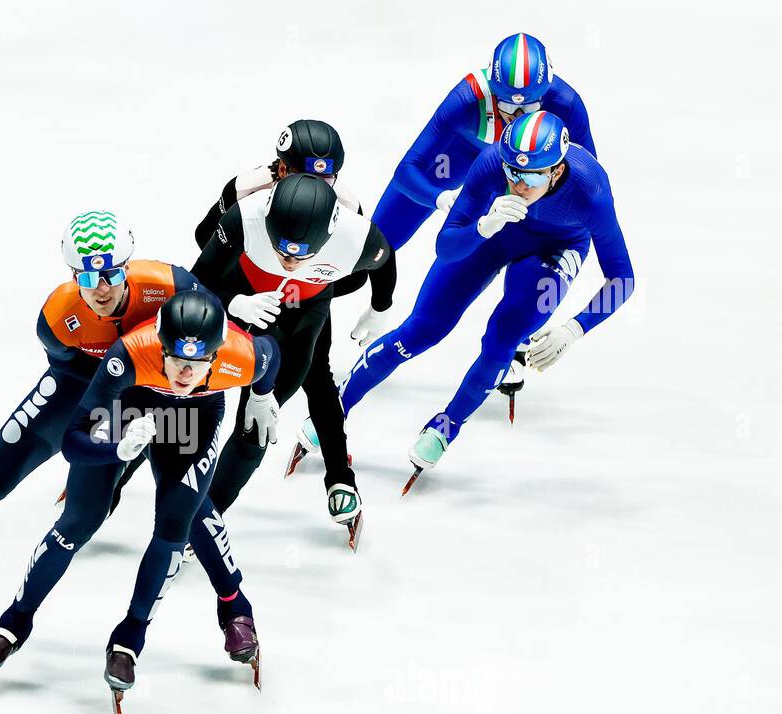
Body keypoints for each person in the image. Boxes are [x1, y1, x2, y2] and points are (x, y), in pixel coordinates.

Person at [0, 212, 261, 641]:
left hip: (164, 394)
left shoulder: (168, 285)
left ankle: (234, 608)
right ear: (72, 275)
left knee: (186, 503)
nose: (101, 289)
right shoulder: (58, 315)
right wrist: (106, 418)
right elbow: (69, 375)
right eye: (87, 277)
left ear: (128, 267)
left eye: (112, 274)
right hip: (85, 391)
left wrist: (235, 317)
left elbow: (211, 327)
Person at [0, 291, 280, 714]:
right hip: (128, 410)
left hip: (194, 419)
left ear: (217, 354)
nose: (186, 373)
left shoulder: (240, 356)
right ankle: (16, 619)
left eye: (198, 363)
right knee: (77, 522)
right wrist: (117, 449)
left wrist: (261, 397)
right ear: (160, 343)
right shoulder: (129, 354)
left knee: (175, 522)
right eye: (176, 360)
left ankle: (133, 635)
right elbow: (73, 443)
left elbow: (271, 355)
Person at [336, 111, 633, 493]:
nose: (517, 185)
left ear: (556, 172)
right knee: (422, 328)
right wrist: (481, 226)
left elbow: (622, 278)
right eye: (512, 173)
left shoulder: (590, 190)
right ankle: (338, 404)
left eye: (530, 178)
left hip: (554, 250)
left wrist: (575, 328)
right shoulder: (493, 162)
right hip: (497, 230)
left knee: (502, 339)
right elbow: (445, 247)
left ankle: (447, 425)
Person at [358, 32, 598, 411]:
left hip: (519, 176)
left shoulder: (567, 104)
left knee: (518, 241)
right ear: (491, 86)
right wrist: (442, 198)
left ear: (547, 92)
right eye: (506, 106)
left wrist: (535, 306)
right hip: (460, 158)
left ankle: (514, 336)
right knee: (370, 245)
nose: (516, 117)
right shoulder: (467, 97)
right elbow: (407, 170)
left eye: (528, 108)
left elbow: (577, 187)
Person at [192, 173, 395, 548]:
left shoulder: (355, 234)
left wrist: (380, 307)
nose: (287, 261)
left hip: (304, 315)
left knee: (256, 426)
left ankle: (207, 515)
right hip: (244, 297)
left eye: (301, 254)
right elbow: (195, 283)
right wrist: (234, 303)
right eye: (280, 250)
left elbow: (384, 262)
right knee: (181, 385)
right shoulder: (246, 215)